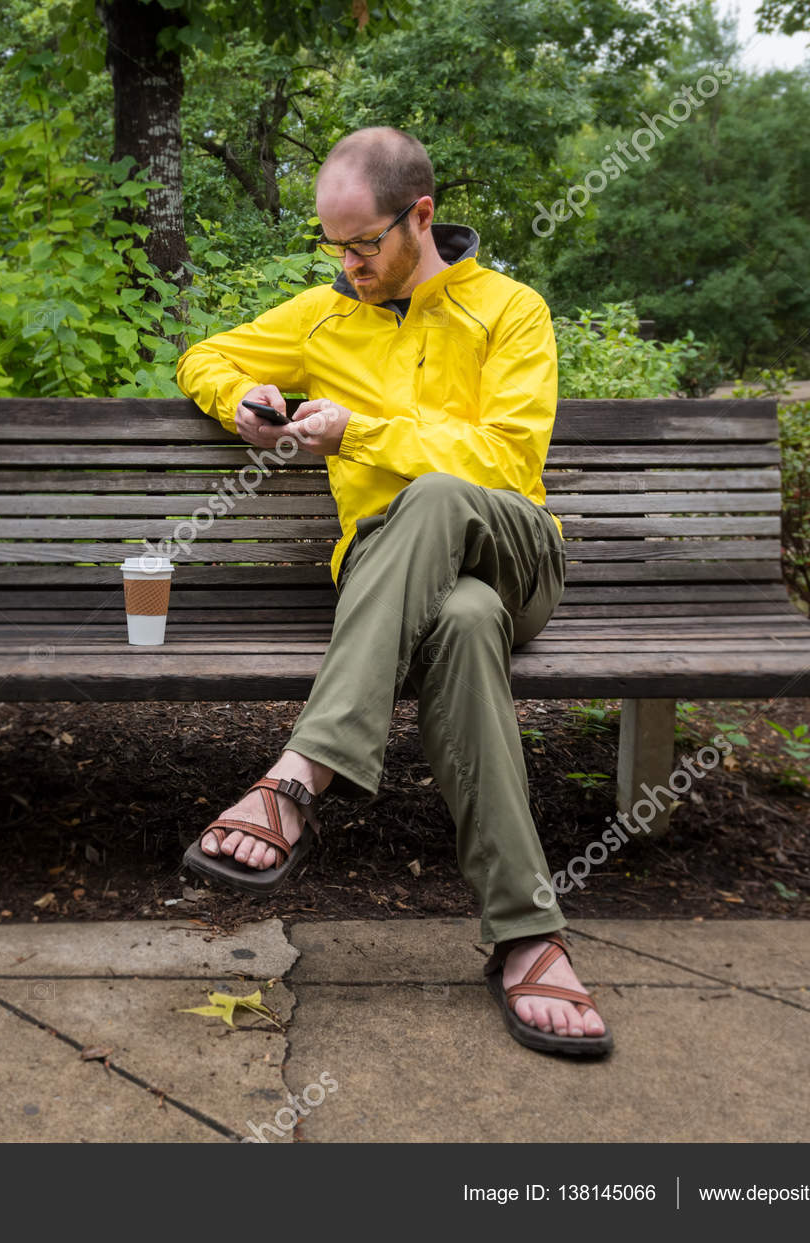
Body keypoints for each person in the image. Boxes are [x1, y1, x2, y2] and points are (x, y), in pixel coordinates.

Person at [174, 126, 611, 1057]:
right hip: (404, 589)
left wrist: (362, 435)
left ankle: (300, 774)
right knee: (459, 619)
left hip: (515, 550)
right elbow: (201, 356)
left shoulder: (510, 311)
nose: (349, 264)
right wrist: (243, 393)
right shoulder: (321, 317)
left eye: (364, 244)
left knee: (445, 494)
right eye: (332, 246)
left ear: (421, 217)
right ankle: (529, 933)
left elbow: (506, 459)